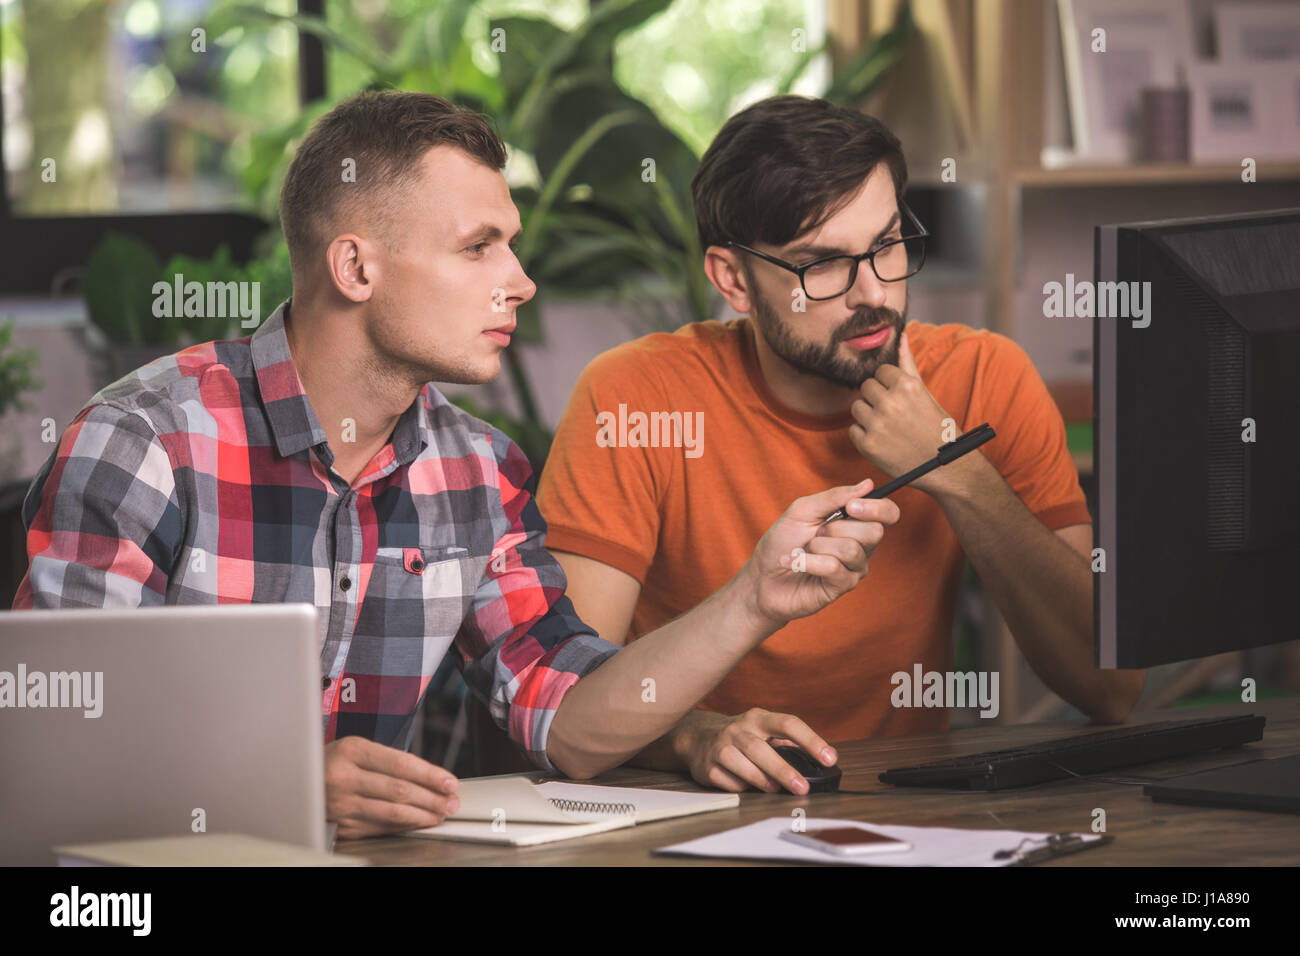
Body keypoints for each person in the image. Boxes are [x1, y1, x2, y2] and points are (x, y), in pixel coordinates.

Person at [14, 91, 898, 837]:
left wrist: (754, 598)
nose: (520, 280)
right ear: (355, 267)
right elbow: (48, 740)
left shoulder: (478, 469)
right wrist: (271, 785)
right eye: (479, 247)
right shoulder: (146, 443)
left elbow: (567, 721)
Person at [537, 95, 1146, 795]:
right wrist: (690, 734)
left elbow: (1111, 688)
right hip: (691, 811)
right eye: (822, 265)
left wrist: (957, 472)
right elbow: (561, 705)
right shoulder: (636, 396)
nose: (874, 294)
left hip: (911, 812)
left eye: (887, 246)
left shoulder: (984, 377)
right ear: (733, 280)